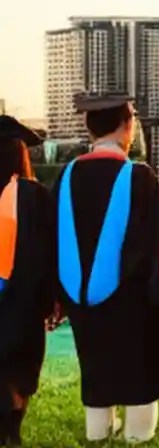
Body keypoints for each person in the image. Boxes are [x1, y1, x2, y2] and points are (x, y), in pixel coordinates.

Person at [53, 93, 159, 443]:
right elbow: (150, 243)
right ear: (127, 126)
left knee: (96, 369)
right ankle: (137, 436)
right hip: (131, 297)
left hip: (79, 294)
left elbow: (51, 238)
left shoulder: (66, 177)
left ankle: (98, 434)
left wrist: (58, 295)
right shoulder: (139, 176)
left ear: (89, 128)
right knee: (138, 373)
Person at [0, 116, 55, 446]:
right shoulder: (36, 195)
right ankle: (13, 427)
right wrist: (51, 300)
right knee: (21, 366)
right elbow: (50, 253)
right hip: (26, 300)